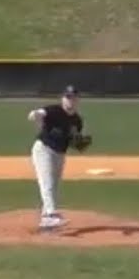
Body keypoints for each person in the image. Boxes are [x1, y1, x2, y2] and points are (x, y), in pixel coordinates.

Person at [27, 86, 90, 230]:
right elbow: (40, 113)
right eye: (67, 97)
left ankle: (45, 218)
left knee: (54, 186)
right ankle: (50, 215)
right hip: (43, 150)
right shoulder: (54, 110)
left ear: (77, 100)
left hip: (60, 154)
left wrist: (81, 143)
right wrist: (35, 114)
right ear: (63, 98)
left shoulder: (77, 120)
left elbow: (74, 141)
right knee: (46, 182)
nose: (70, 100)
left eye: (73, 98)